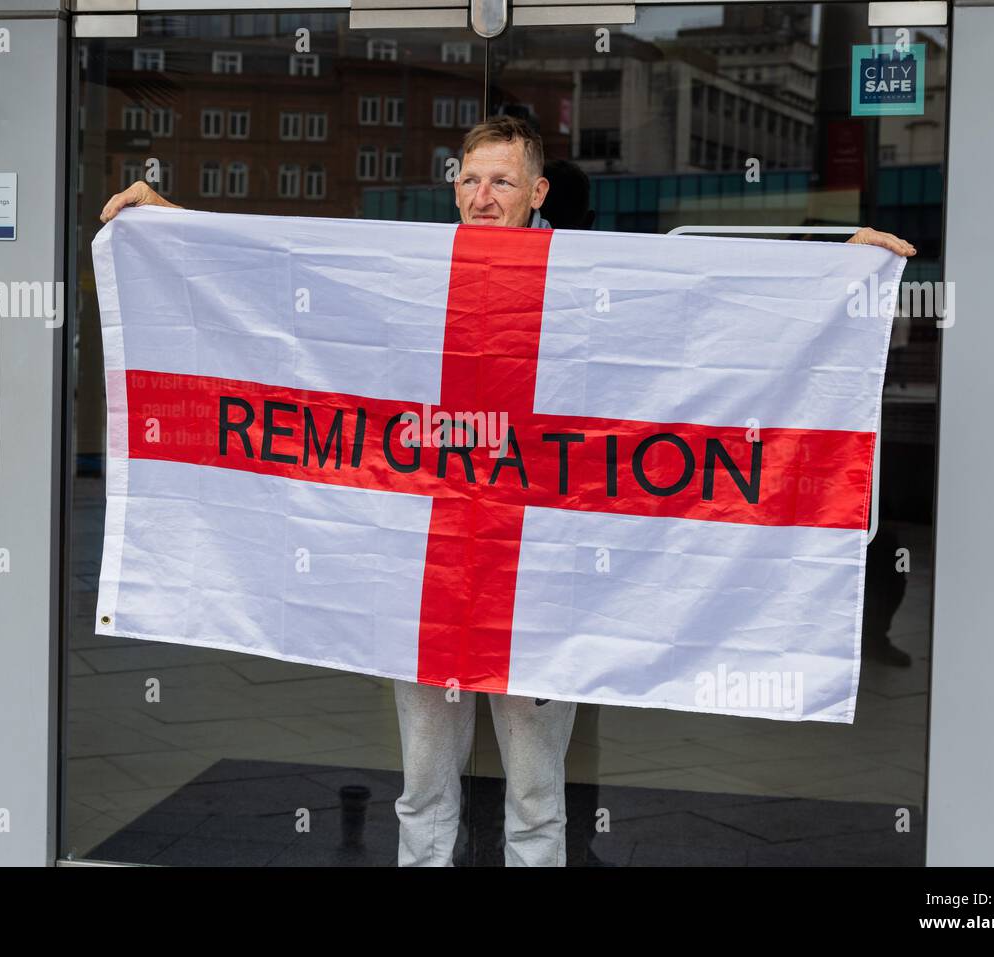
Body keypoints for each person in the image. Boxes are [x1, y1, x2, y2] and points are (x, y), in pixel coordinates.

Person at [100, 115, 916, 867]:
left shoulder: (589, 276)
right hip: (426, 577)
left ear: (538, 192)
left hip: (537, 585)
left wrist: (840, 271)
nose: (480, 195)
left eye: (500, 180)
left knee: (534, 796)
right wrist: (161, 222)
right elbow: (271, 277)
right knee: (422, 789)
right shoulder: (410, 275)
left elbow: (704, 310)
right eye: (468, 179)